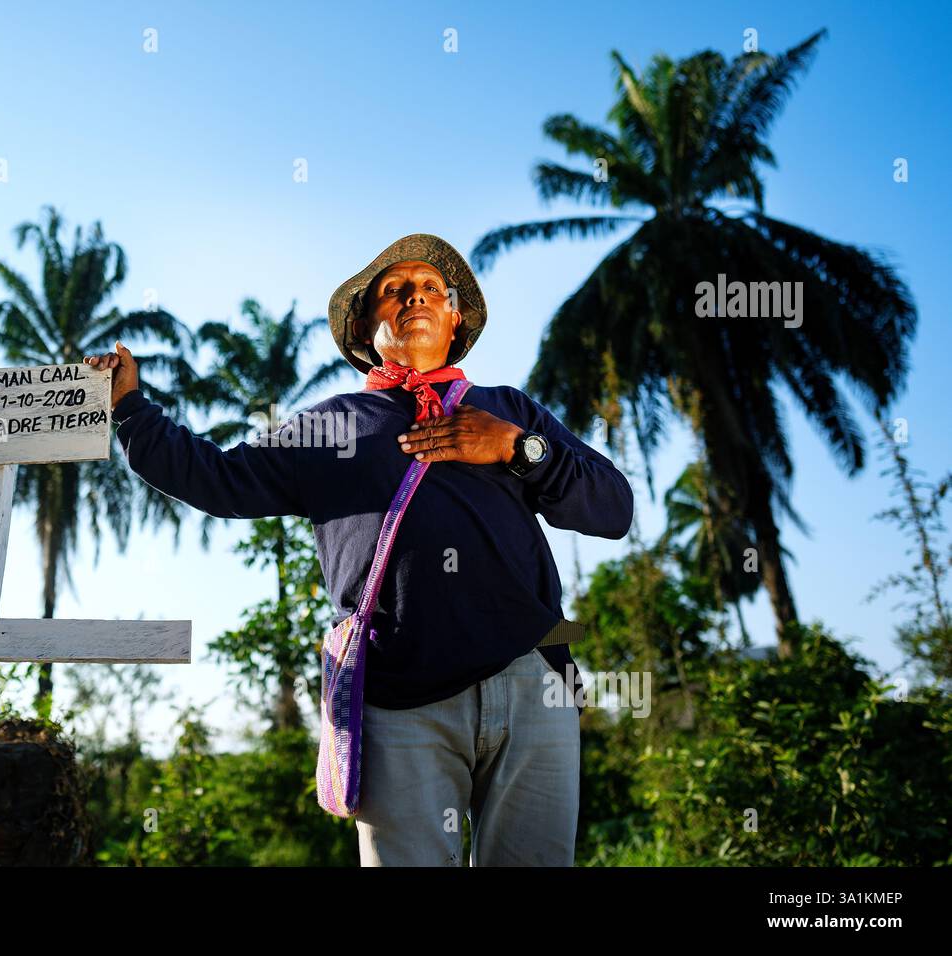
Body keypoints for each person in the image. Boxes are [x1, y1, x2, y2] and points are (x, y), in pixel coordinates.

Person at [86, 233, 633, 866]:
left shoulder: (509, 410)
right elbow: (215, 478)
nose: (415, 298)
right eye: (394, 292)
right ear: (365, 327)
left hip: (532, 684)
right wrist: (130, 409)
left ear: (454, 318)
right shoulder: (332, 425)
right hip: (397, 705)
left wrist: (517, 447)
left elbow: (612, 509)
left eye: (432, 289)